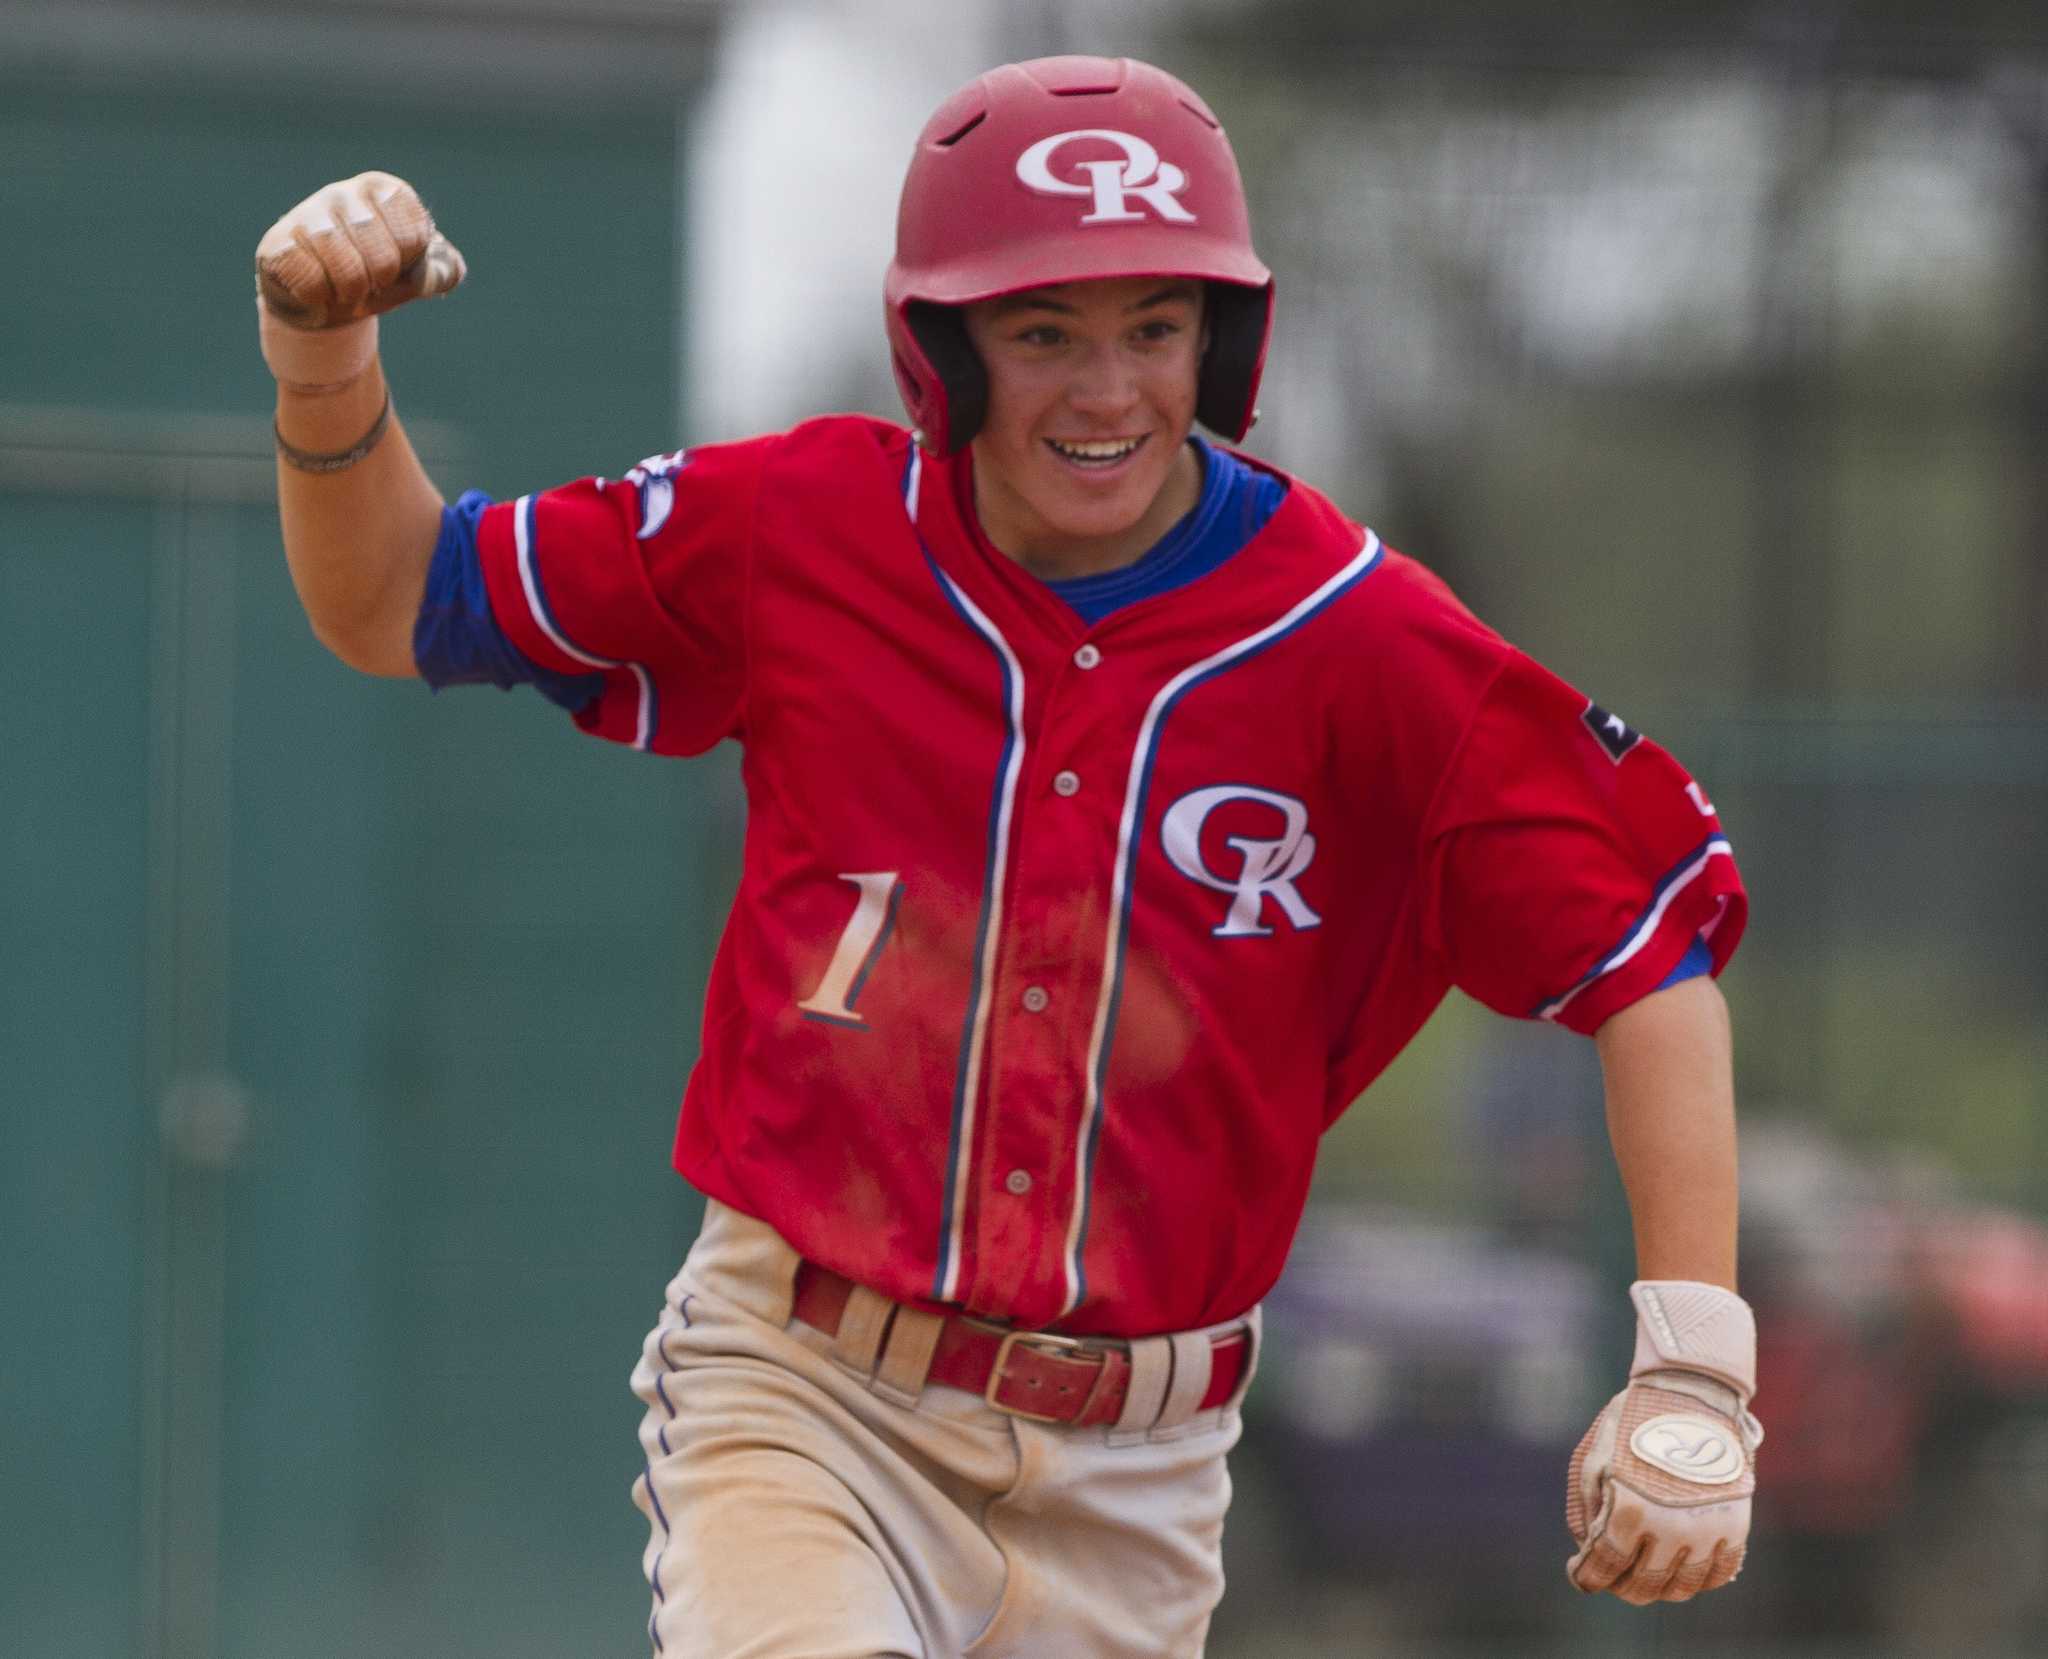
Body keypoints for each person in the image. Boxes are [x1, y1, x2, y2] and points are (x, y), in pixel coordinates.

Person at [256, 54, 1761, 1658]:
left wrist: (1692, 1366)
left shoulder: (1351, 631)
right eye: (1044, 331)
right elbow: (396, 595)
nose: (1107, 390)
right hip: (812, 1395)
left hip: (1146, 1472)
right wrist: (323, 358)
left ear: (1223, 340)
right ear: (944, 349)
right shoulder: (802, 529)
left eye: (1154, 328)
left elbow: (1646, 961)